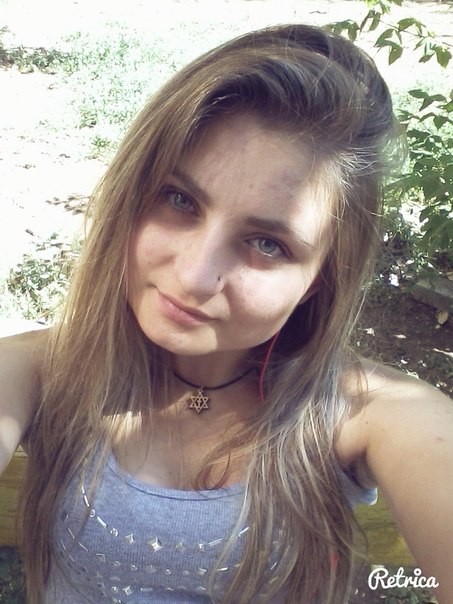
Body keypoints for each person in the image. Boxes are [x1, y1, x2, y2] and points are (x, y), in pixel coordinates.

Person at [0, 23, 452, 604]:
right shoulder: (41, 370)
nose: (194, 276)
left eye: (267, 243)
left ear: (320, 280)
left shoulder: (371, 415)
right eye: (179, 200)